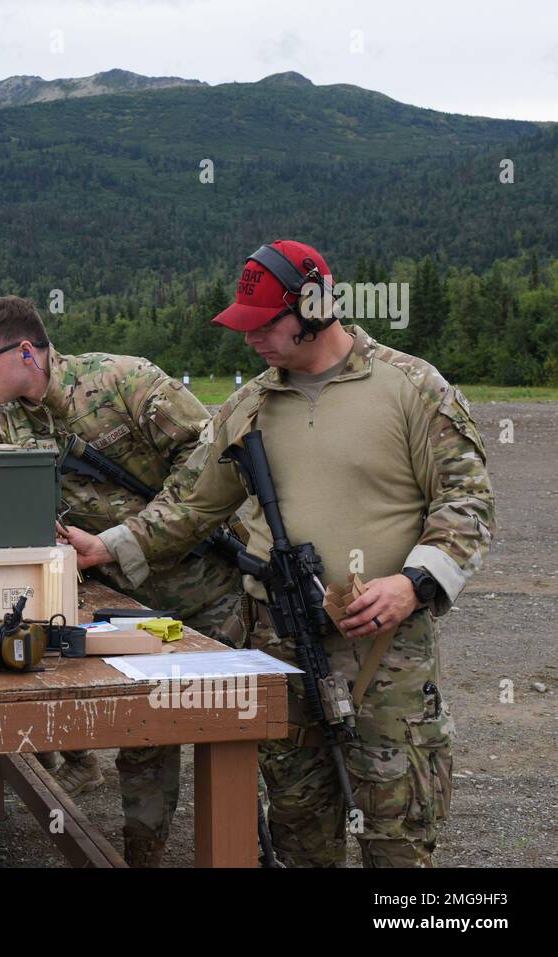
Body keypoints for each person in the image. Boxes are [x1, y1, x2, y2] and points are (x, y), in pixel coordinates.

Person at [59, 240, 495, 867]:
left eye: (265, 323)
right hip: (281, 634)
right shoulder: (251, 406)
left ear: (315, 308)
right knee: (296, 815)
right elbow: (192, 504)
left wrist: (413, 584)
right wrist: (106, 545)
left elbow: (467, 500)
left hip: (385, 642)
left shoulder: (412, 387)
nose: (251, 337)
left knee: (399, 817)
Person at [0, 295, 243, 867]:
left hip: (210, 593)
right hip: (126, 607)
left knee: (236, 730)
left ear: (27, 352)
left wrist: (129, 538)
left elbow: (212, 461)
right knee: (145, 739)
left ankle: (249, 842)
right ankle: (144, 857)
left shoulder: (123, 381)